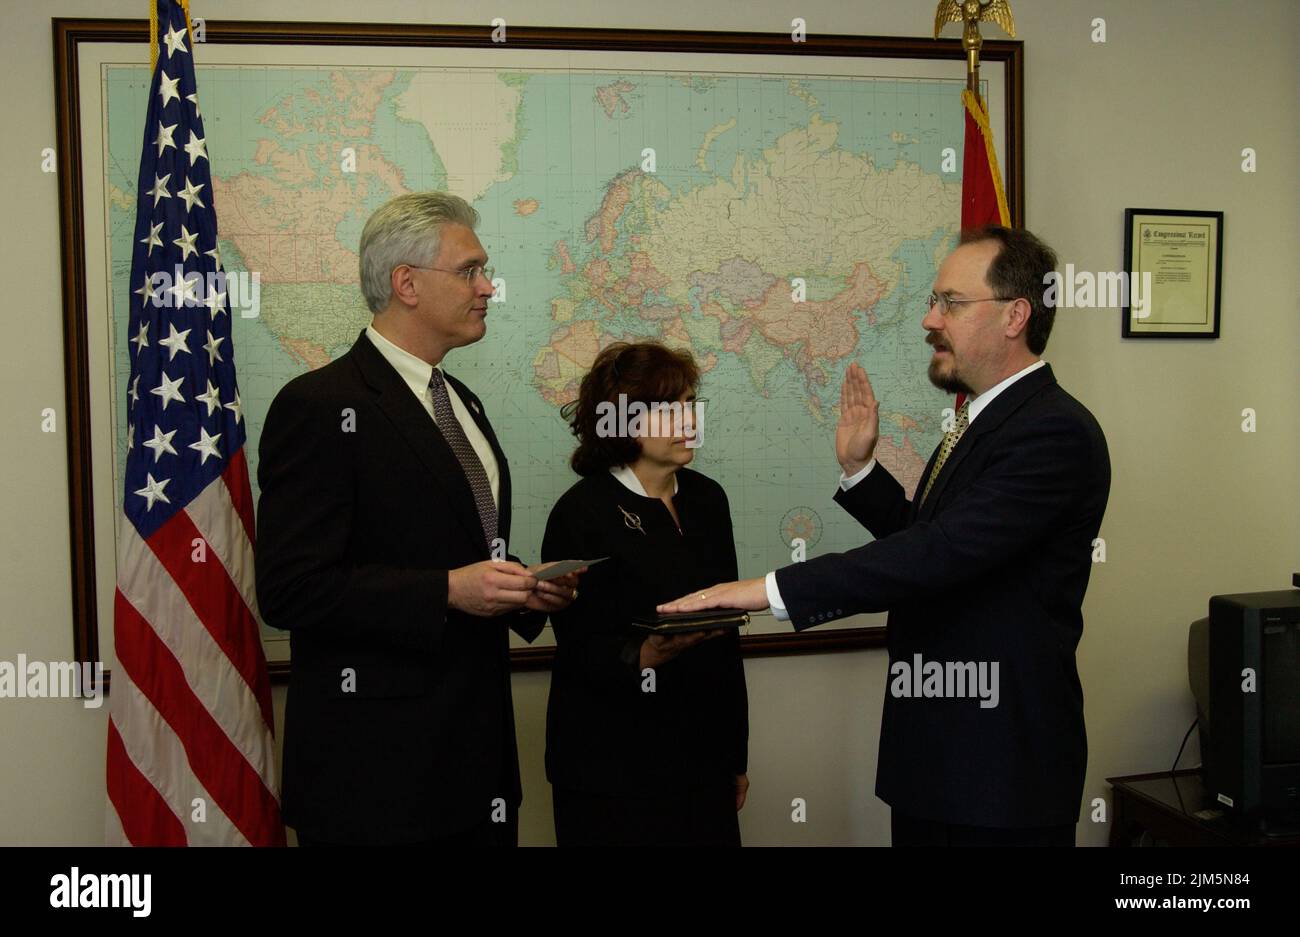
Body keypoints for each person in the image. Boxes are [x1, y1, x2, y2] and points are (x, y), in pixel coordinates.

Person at [660, 225, 1111, 846]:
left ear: (1015, 315)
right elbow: (939, 541)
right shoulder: (986, 421)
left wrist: (767, 589)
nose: (930, 318)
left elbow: (939, 554)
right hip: (940, 762)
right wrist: (861, 472)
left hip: (997, 774)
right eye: (933, 300)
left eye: (950, 302)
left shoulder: (1052, 432)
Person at [255, 191, 579, 846]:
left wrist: (523, 591)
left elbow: (459, 546)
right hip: (375, 782)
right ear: (406, 283)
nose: (488, 286)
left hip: (477, 768)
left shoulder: (463, 402)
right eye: (470, 270)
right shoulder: (321, 405)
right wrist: (448, 591)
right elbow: (291, 588)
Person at [541, 341, 749, 846]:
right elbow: (578, 646)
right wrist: (646, 654)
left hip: (702, 761)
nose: (688, 420)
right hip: (611, 770)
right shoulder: (581, 511)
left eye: (689, 404)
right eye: (667, 409)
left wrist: (734, 757)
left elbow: (726, 640)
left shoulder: (707, 499)